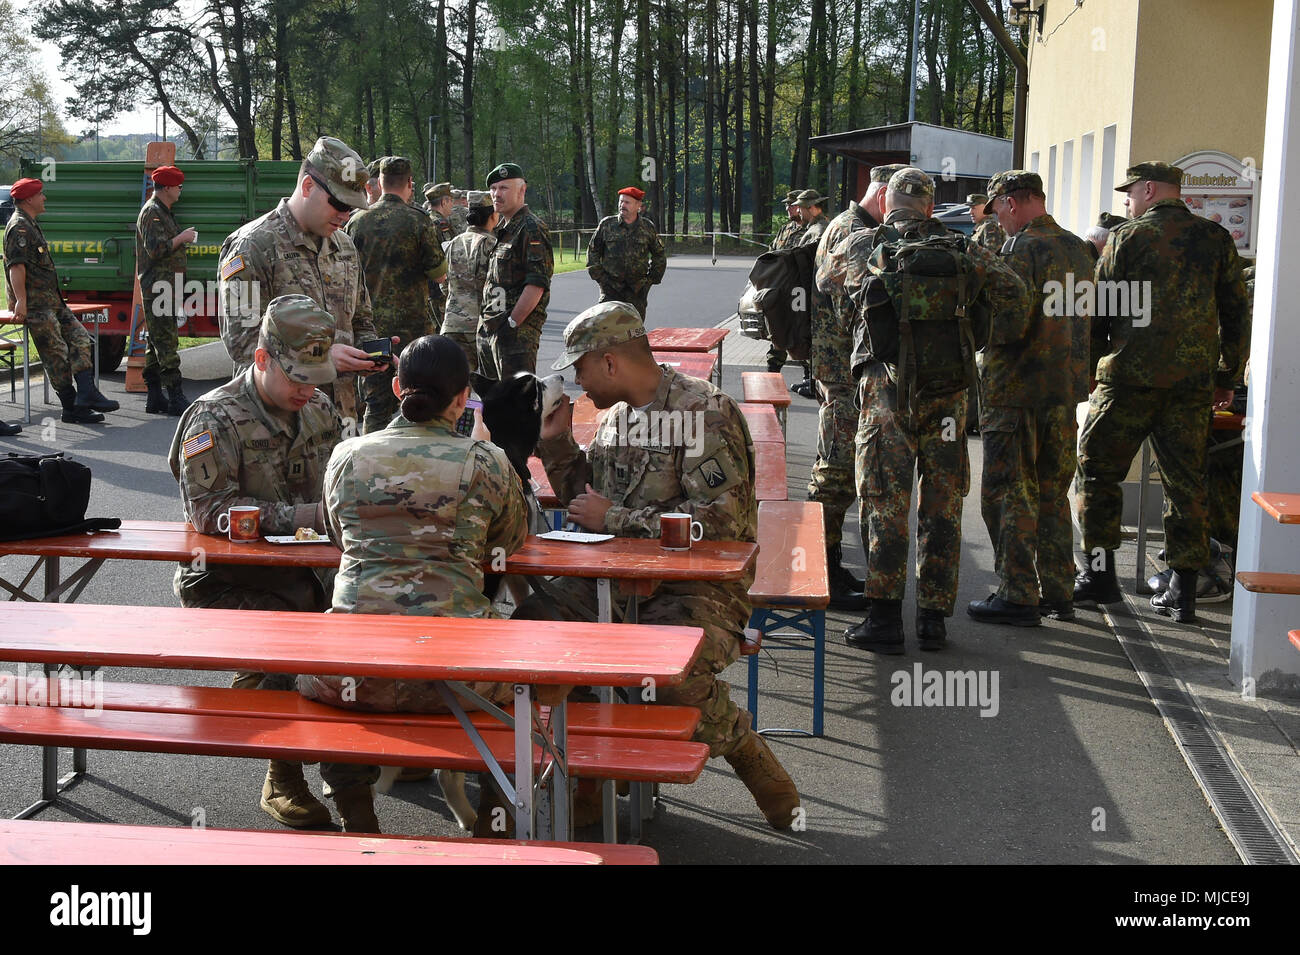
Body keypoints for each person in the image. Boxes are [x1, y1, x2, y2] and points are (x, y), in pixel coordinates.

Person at [515, 301, 801, 830]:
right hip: (614, 582)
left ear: (608, 362)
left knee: (664, 671)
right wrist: (555, 443)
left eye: (579, 369)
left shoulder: (702, 412)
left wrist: (620, 516)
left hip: (697, 588)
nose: (577, 385)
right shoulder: (616, 418)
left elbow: (720, 521)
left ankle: (742, 745)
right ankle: (588, 775)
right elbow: (588, 503)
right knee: (537, 632)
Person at [296, 334, 531, 833]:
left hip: (352, 675)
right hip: (460, 680)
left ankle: (355, 812)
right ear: (464, 397)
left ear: (398, 386)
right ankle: (495, 822)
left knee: (307, 673)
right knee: (531, 688)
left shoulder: (346, 456)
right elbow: (509, 544)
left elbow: (339, 538)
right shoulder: (485, 461)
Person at [168, 294, 341, 830]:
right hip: (225, 579)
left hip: (305, 571)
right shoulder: (215, 418)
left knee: (376, 625)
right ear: (262, 359)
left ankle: (351, 761)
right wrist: (299, 517)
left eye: (317, 376)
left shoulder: (318, 408)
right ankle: (283, 774)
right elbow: (209, 512)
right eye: (298, 378)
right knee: (292, 646)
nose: (308, 389)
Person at [838, 167, 1028, 653]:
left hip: (888, 392)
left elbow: (830, 290)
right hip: (949, 395)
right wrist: (977, 335)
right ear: (929, 204)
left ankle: (883, 620)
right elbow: (1015, 293)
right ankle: (932, 620)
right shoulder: (964, 248)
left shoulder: (865, 243)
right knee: (942, 504)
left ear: (889, 200)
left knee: (885, 501)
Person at [1073, 162, 1248, 622]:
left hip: (1127, 380)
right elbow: (1236, 312)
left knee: (1097, 472)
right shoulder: (1216, 239)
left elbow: (1100, 310)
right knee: (1186, 485)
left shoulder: (1128, 238)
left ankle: (1099, 578)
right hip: (1191, 386)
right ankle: (1184, 591)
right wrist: (1226, 377)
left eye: (1129, 194)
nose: (1127, 202)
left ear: (1149, 189)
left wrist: (1093, 369)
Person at [966, 171, 1095, 626]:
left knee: (1008, 493)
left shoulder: (1020, 249)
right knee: (1052, 492)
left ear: (1011, 202)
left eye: (996, 207)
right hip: (1062, 391)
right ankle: (1058, 591)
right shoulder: (1079, 247)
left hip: (1016, 390)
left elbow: (1009, 324)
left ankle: (1018, 593)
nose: (994, 216)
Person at [218, 136, 381, 430]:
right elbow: (242, 344)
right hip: (272, 424)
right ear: (308, 186)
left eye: (351, 207)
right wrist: (322, 357)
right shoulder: (252, 246)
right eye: (339, 203)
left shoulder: (344, 247)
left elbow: (361, 317)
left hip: (339, 416)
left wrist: (369, 351)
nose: (345, 216)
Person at [809, 163, 906, 612]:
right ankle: (818, 568)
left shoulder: (855, 226)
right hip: (841, 372)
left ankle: (826, 562)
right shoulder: (851, 230)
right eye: (901, 201)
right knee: (835, 471)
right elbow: (846, 300)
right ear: (884, 194)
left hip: (846, 370)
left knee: (843, 469)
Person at [344, 155, 448, 434]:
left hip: (370, 329)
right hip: (412, 331)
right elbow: (439, 273)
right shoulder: (419, 221)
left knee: (376, 403)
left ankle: (372, 464)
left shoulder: (357, 223)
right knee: (417, 397)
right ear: (409, 185)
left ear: (378, 182)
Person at [3, 178, 118, 424]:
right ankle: (71, 407)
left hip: (52, 302)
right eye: (41, 194)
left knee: (80, 338)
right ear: (29, 199)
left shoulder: (30, 224)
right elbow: (17, 267)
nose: (44, 198)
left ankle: (87, 394)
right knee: (56, 353)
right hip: (36, 305)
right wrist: (20, 300)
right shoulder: (20, 227)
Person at [477, 162, 554, 382]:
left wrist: (512, 323)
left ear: (522, 190)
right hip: (492, 330)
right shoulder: (504, 229)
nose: (496, 194)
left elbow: (536, 284)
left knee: (516, 404)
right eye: (493, 189)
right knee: (492, 404)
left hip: (515, 337)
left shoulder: (531, 228)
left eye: (504, 188)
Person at [135, 164, 198, 415]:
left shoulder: (163, 211)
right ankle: (175, 397)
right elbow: (156, 249)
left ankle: (154, 397)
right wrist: (182, 238)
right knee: (167, 341)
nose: (181, 190)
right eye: (179, 186)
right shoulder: (152, 212)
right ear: (168, 187)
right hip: (158, 287)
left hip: (167, 286)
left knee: (156, 340)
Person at [585, 185, 667, 320]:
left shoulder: (647, 227)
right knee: (607, 331)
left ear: (638, 205)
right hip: (610, 289)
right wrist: (601, 279)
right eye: (621, 201)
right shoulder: (607, 225)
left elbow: (659, 255)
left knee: (634, 333)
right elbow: (593, 251)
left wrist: (650, 280)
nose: (622, 205)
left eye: (627, 202)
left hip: (637, 291)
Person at [442, 191, 499, 374]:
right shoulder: (493, 245)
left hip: (452, 325)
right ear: (492, 215)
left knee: (455, 388)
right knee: (489, 388)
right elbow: (497, 290)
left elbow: (444, 285)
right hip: (481, 328)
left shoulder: (453, 243)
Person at [765, 191, 804, 373]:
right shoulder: (786, 229)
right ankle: (773, 371)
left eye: (791, 204)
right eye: (786, 205)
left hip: (799, 290)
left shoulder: (810, 230)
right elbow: (772, 251)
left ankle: (808, 375)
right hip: (780, 287)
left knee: (800, 329)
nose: (788, 208)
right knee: (778, 329)